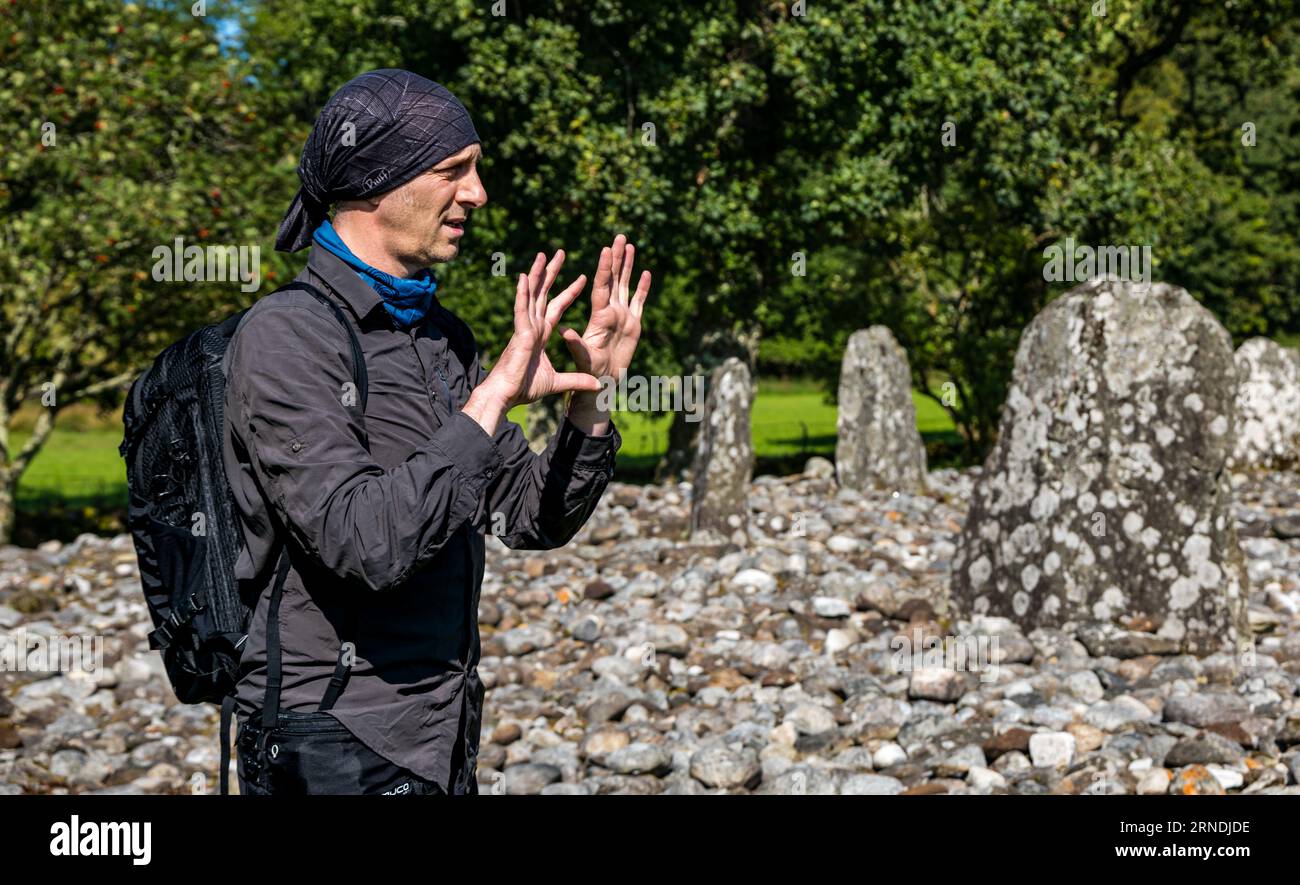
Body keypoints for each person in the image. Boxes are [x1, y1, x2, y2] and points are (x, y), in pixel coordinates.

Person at [221, 68, 652, 795]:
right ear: (374, 184)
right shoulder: (286, 337)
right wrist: (491, 397)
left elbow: (529, 516)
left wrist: (592, 395)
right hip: (331, 736)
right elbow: (366, 544)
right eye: (454, 170)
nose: (477, 194)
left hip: (441, 729)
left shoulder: (442, 338)